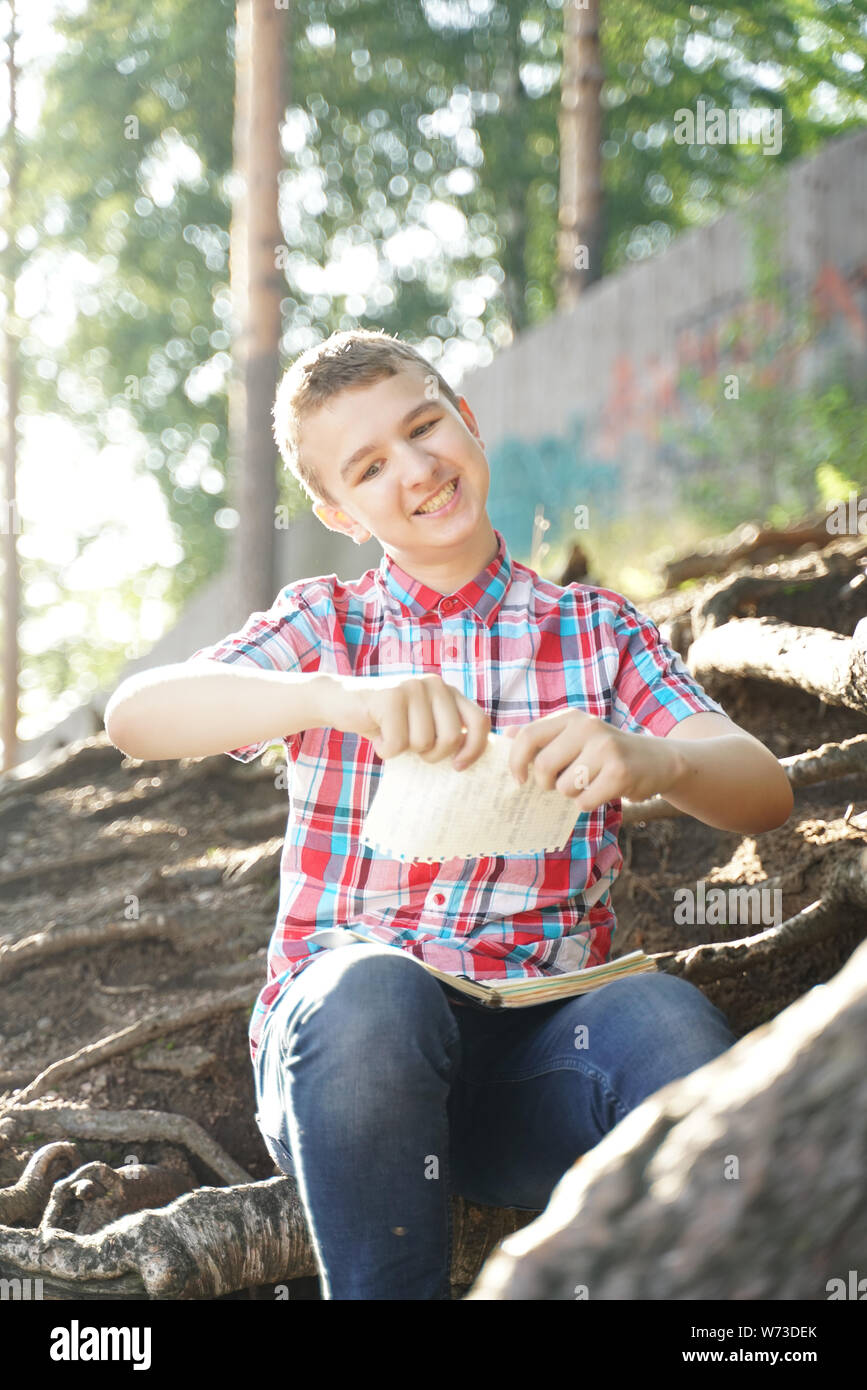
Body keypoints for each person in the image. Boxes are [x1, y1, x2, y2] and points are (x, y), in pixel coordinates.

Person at [104, 328, 794, 1301]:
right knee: (374, 990)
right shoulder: (329, 623)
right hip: (353, 1065)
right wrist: (335, 697)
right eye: (371, 466)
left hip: (539, 1062)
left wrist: (652, 756)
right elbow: (135, 717)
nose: (417, 469)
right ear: (338, 509)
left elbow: (763, 787)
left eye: (426, 426)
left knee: (668, 1020)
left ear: (466, 419)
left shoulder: (595, 630)